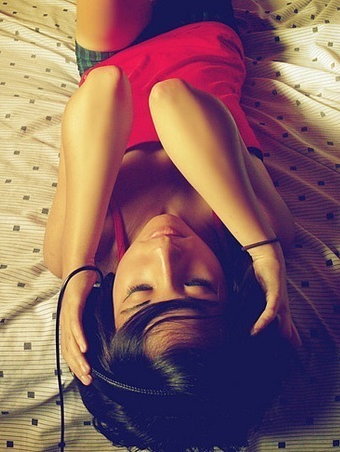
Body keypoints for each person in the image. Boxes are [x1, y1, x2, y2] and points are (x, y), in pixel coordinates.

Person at [44, 0, 301, 450]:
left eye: (140, 291)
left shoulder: (78, 253)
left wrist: (78, 264)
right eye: (198, 285)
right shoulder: (256, 232)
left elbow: (105, 86)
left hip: (114, 50)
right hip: (205, 25)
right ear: (233, 291)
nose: (165, 254)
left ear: (107, 308)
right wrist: (263, 247)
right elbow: (171, 98)